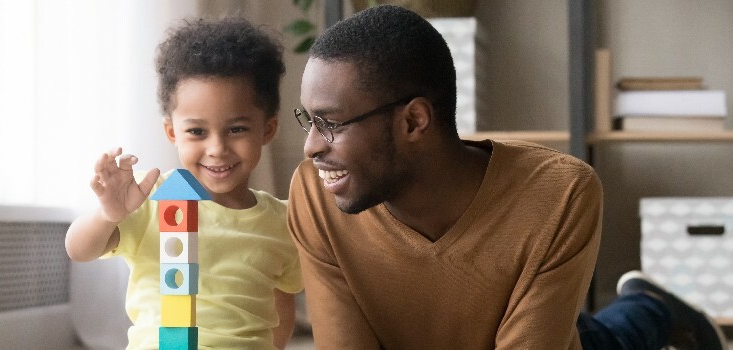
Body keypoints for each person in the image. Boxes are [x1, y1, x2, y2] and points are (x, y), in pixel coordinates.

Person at [286, 4, 726, 350]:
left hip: (546, 338)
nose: (311, 147)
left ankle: (651, 307)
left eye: (333, 124)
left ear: (414, 121)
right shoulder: (315, 192)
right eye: (309, 120)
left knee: (607, 339)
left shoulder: (561, 194)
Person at [65, 17, 302, 350]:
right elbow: (78, 250)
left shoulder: (284, 221)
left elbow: (283, 306)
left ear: (267, 129)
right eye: (197, 132)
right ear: (172, 132)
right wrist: (108, 214)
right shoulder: (150, 199)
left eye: (236, 129)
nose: (217, 149)